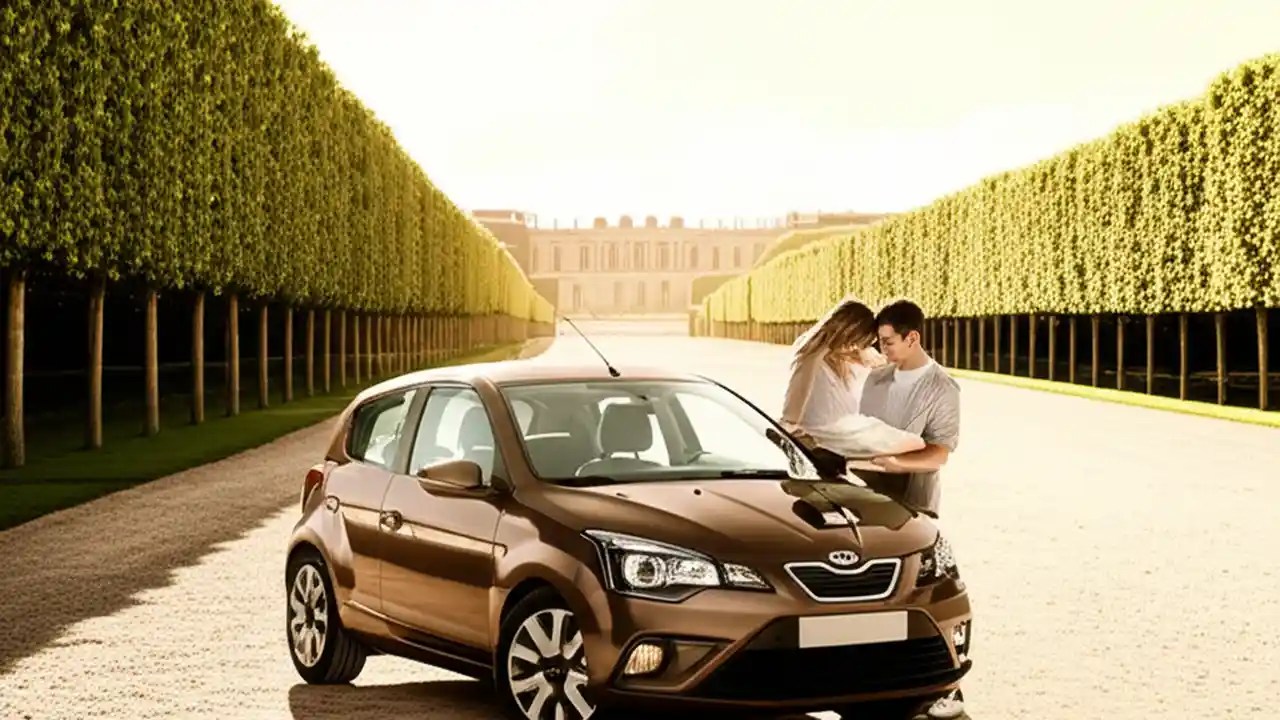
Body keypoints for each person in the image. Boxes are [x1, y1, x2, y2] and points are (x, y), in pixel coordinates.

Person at [853, 297, 965, 720]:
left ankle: (938, 688)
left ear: (912, 337)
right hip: (866, 498)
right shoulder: (877, 380)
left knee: (917, 597)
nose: (882, 350)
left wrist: (897, 464)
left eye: (887, 342)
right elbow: (862, 431)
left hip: (914, 503)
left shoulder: (942, 388)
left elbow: (939, 453)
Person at [777, 297, 884, 476]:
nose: (855, 347)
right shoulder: (811, 360)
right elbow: (789, 418)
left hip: (844, 456)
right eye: (855, 341)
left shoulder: (844, 358)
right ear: (843, 331)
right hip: (821, 461)